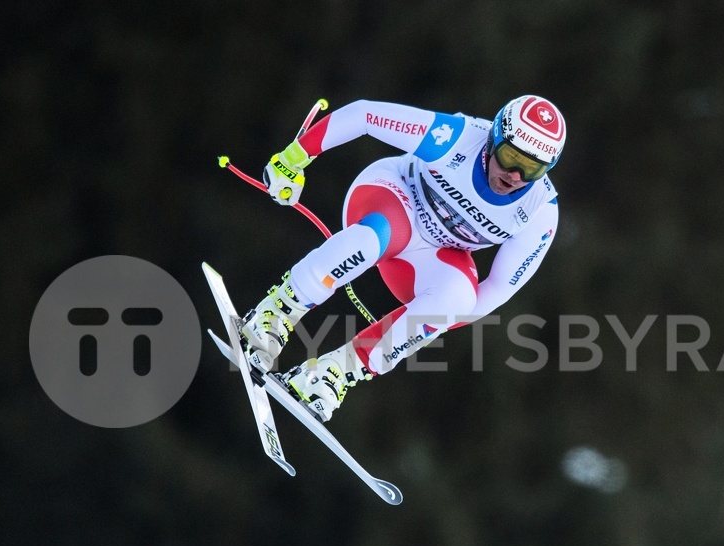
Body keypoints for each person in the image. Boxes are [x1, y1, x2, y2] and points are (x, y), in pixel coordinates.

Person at [241, 95, 566, 421]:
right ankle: (274, 313)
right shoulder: (457, 137)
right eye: (510, 157)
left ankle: (332, 373)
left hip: (434, 254)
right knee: (373, 238)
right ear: (493, 139)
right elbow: (365, 115)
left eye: (531, 168)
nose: (515, 176)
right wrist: (294, 159)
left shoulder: (540, 211)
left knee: (458, 300)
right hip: (393, 198)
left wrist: (429, 323)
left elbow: (496, 290)